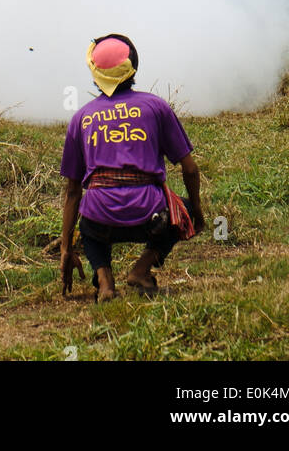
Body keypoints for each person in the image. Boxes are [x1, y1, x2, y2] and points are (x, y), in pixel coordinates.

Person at [59, 33, 204, 301]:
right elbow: (191, 169)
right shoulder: (156, 107)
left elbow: (72, 191)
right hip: (150, 217)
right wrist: (196, 211)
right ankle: (140, 270)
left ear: (94, 73)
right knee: (179, 210)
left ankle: (104, 280)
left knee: (89, 224)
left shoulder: (81, 118)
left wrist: (66, 249)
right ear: (133, 67)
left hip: (100, 219)